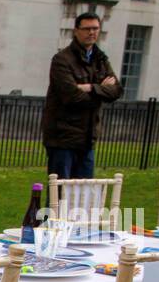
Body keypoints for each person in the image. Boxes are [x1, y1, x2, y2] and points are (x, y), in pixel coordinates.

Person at [41, 13, 123, 180]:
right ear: (76, 31)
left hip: (87, 139)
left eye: (95, 28)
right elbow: (71, 97)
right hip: (63, 139)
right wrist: (101, 90)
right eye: (87, 29)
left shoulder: (100, 59)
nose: (91, 32)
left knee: (83, 194)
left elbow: (116, 91)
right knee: (59, 193)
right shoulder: (62, 60)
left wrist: (90, 88)